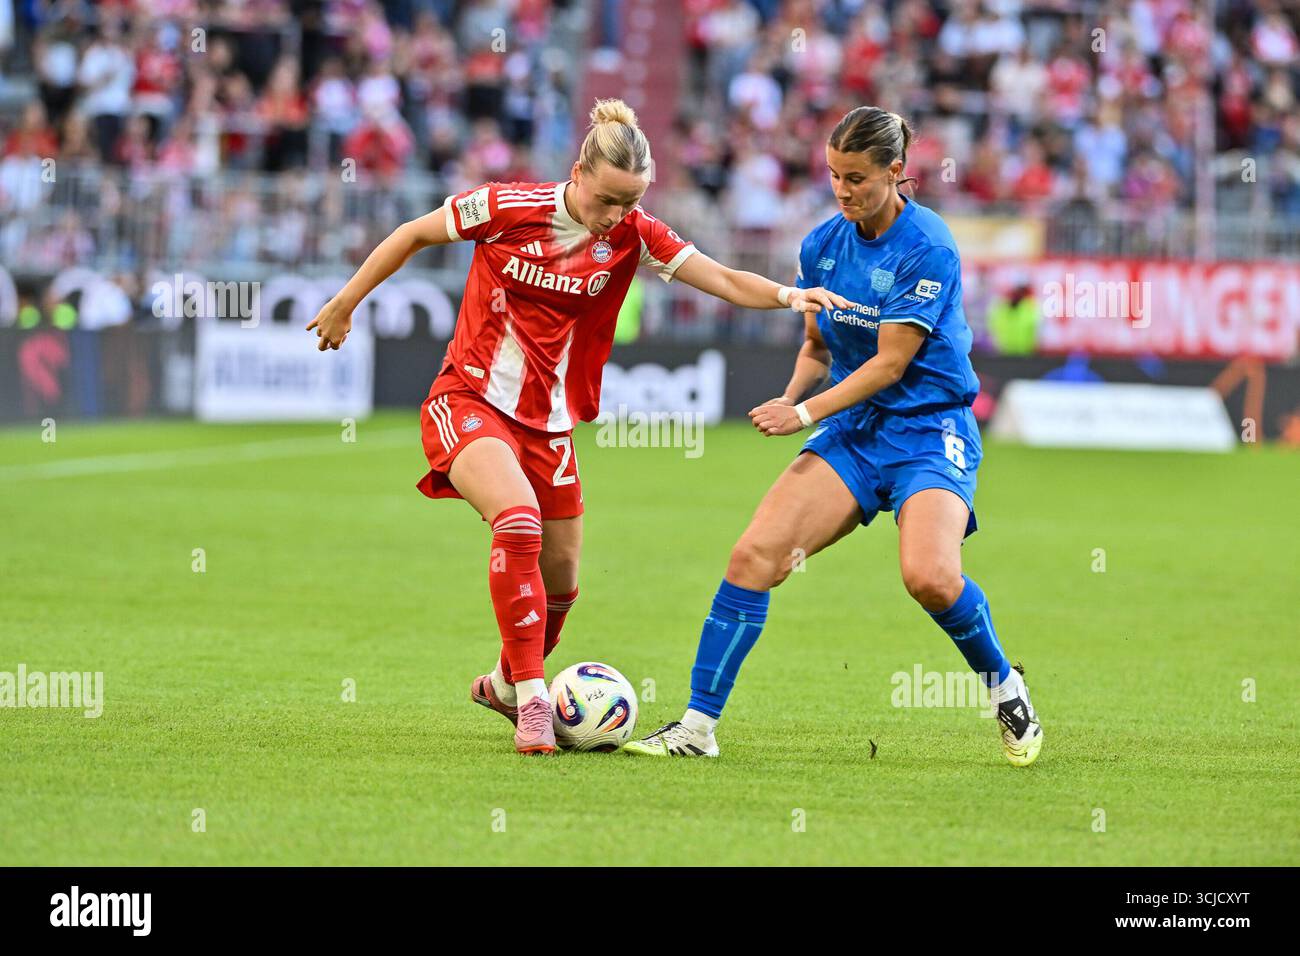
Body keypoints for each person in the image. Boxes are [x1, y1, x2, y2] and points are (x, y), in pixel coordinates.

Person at [307, 98, 847, 755]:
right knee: (518, 521)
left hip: (551, 427)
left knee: (562, 583)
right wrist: (344, 300)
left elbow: (725, 280)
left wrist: (791, 297)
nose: (615, 216)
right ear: (578, 172)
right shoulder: (508, 206)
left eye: (630, 202)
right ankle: (534, 705)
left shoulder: (635, 233)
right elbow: (415, 234)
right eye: (608, 200)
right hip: (470, 398)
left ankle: (506, 685)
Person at [625, 107, 1043, 766]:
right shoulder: (823, 244)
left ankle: (1004, 685)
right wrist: (792, 395)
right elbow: (819, 346)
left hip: (929, 429)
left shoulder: (927, 246)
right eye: (833, 175)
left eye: (857, 178)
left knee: (930, 578)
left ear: (896, 173)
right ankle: (697, 729)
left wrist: (806, 414)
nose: (843, 191)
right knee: (753, 558)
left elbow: (890, 363)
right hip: (854, 431)